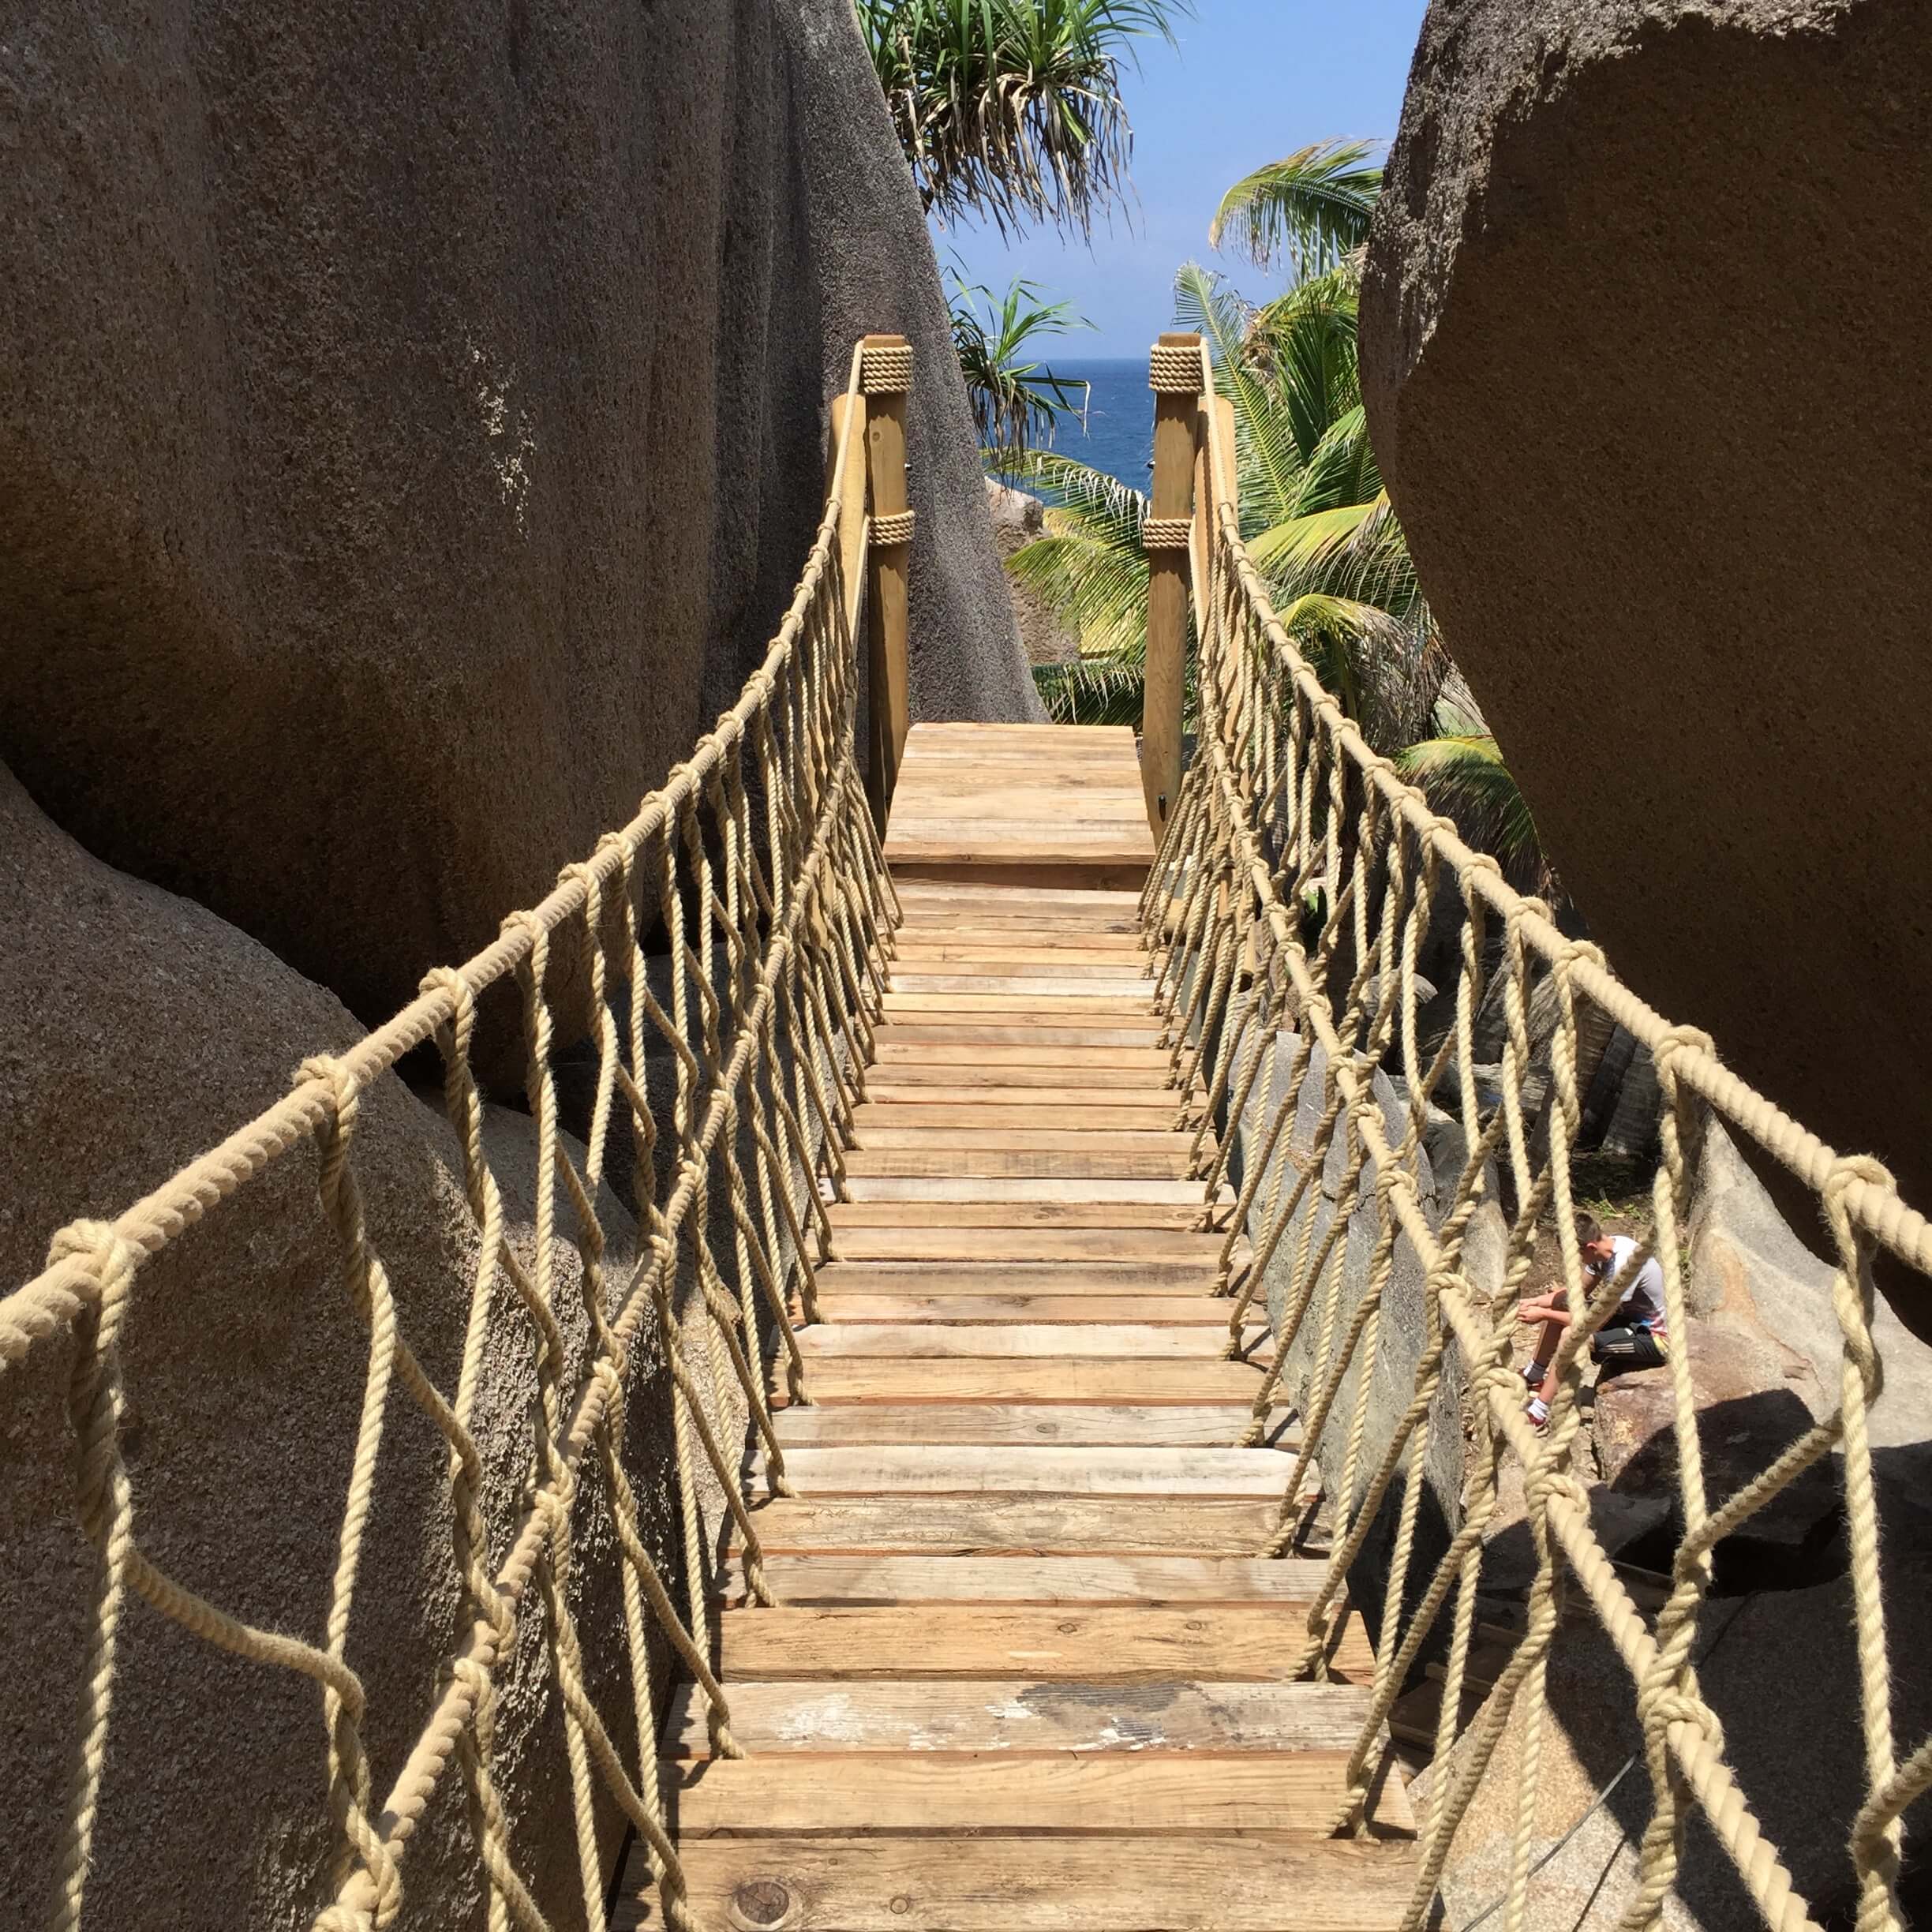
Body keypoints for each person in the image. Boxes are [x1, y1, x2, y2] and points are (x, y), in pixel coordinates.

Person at [1518, 1212, 1669, 1431]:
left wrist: (1543, 1315)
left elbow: (1593, 1324)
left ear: (1589, 1247)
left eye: (1578, 1255)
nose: (1578, 1262)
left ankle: (1539, 1411)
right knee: (1559, 1307)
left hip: (1654, 1338)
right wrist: (1533, 1303)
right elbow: (1574, 1294)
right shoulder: (1607, 1248)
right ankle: (1534, 1374)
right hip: (1628, 1319)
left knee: (1569, 1336)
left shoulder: (1624, 1266)